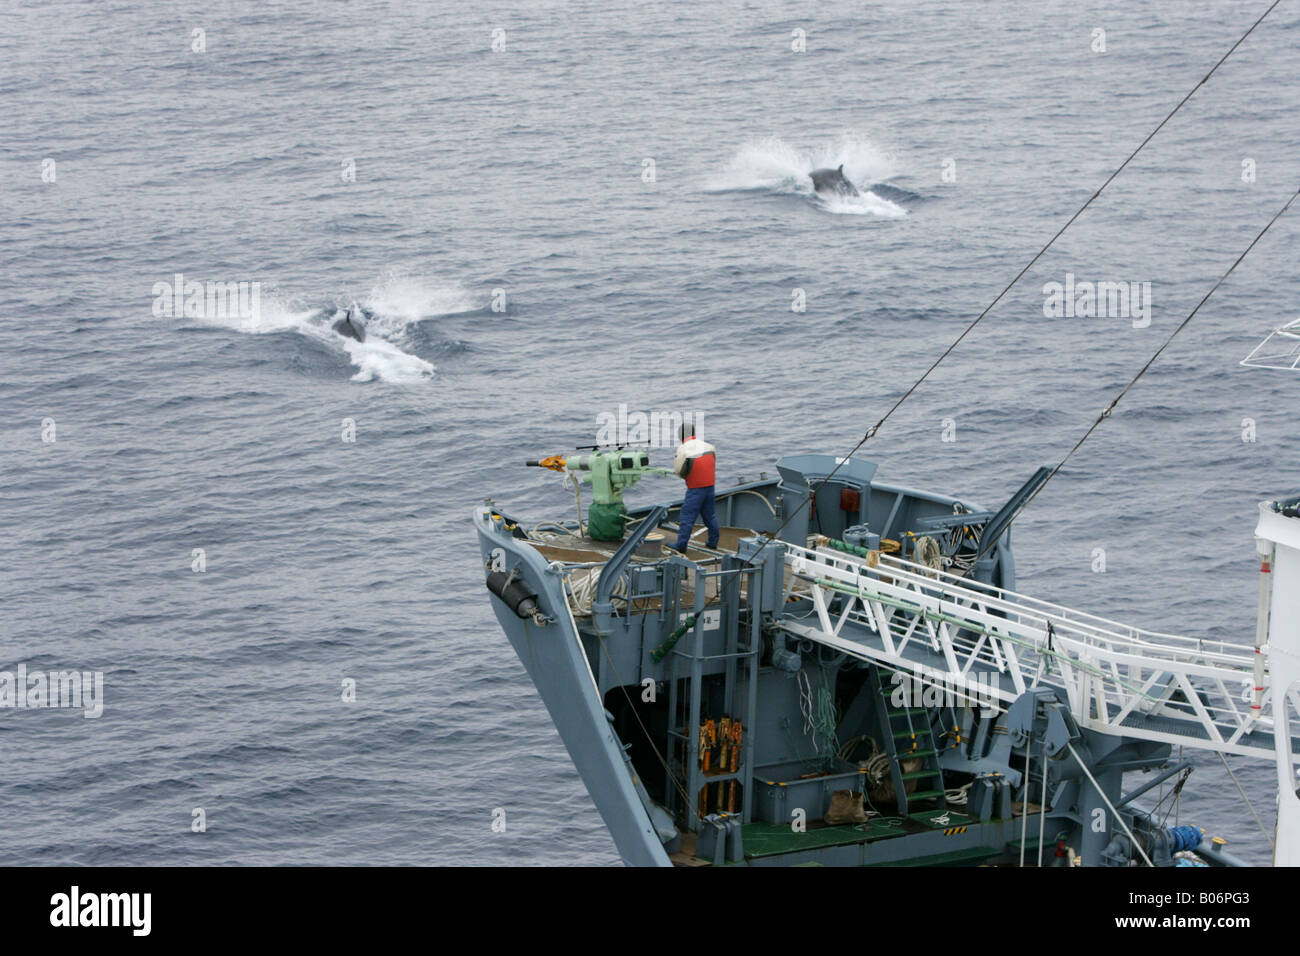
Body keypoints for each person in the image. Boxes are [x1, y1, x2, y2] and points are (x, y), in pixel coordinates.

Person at [672, 422, 719, 552]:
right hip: (710, 487)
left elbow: (679, 471)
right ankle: (713, 542)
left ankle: (681, 546)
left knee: (687, 517)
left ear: (680, 435)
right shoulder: (708, 446)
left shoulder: (683, 449)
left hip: (695, 489)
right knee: (710, 516)